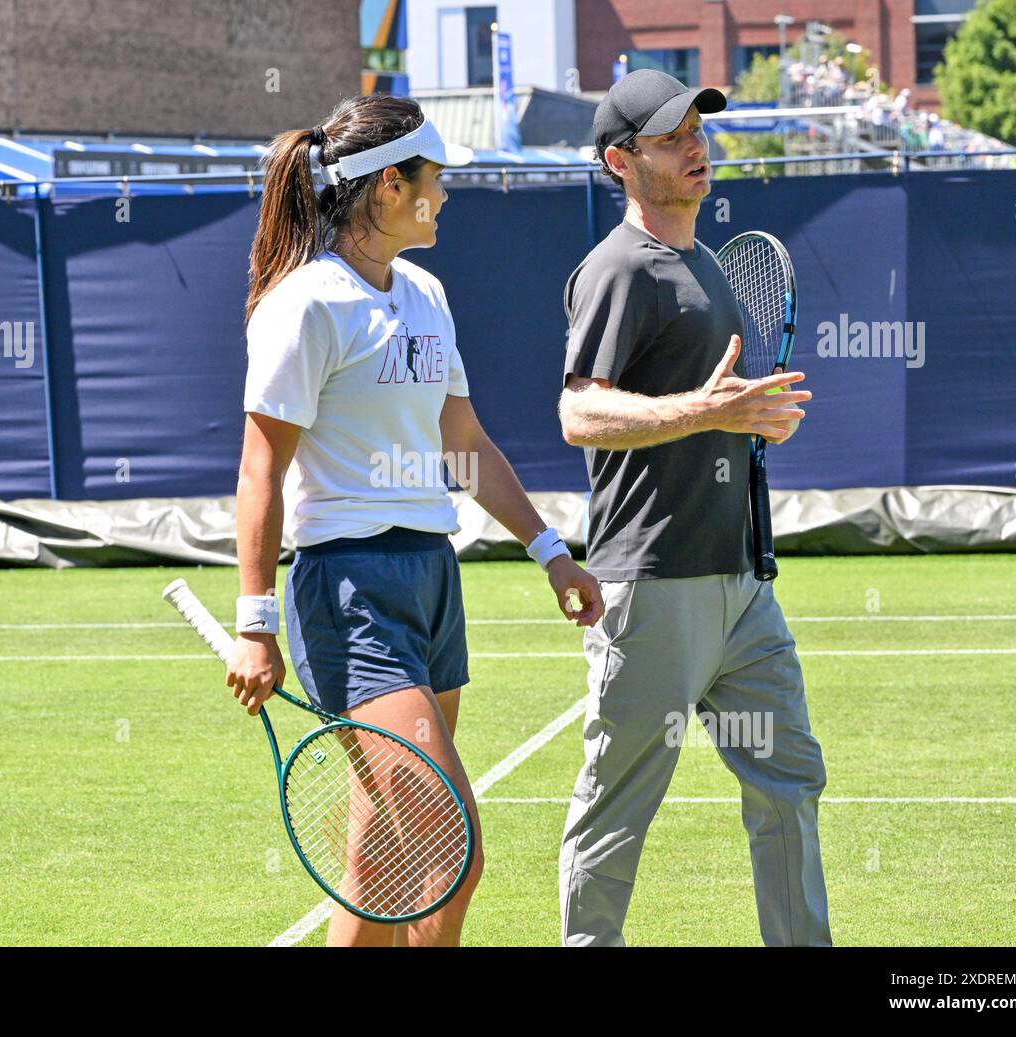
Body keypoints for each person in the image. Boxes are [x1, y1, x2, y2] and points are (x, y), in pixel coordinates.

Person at [228, 94, 603, 947]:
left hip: (432, 578)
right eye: (436, 179)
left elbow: (461, 441)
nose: (447, 194)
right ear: (391, 185)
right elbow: (260, 468)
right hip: (349, 589)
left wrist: (550, 550)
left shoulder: (428, 293)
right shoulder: (305, 306)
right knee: (449, 854)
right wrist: (255, 621)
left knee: (379, 858)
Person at [556, 69, 832, 947]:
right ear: (620, 160)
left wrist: (750, 421)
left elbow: (703, 407)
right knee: (618, 809)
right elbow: (579, 412)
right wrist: (711, 411)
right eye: (671, 136)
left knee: (790, 778)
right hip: (652, 585)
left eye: (697, 129)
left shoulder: (706, 261)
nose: (694, 145)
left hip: (742, 583)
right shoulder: (616, 269)